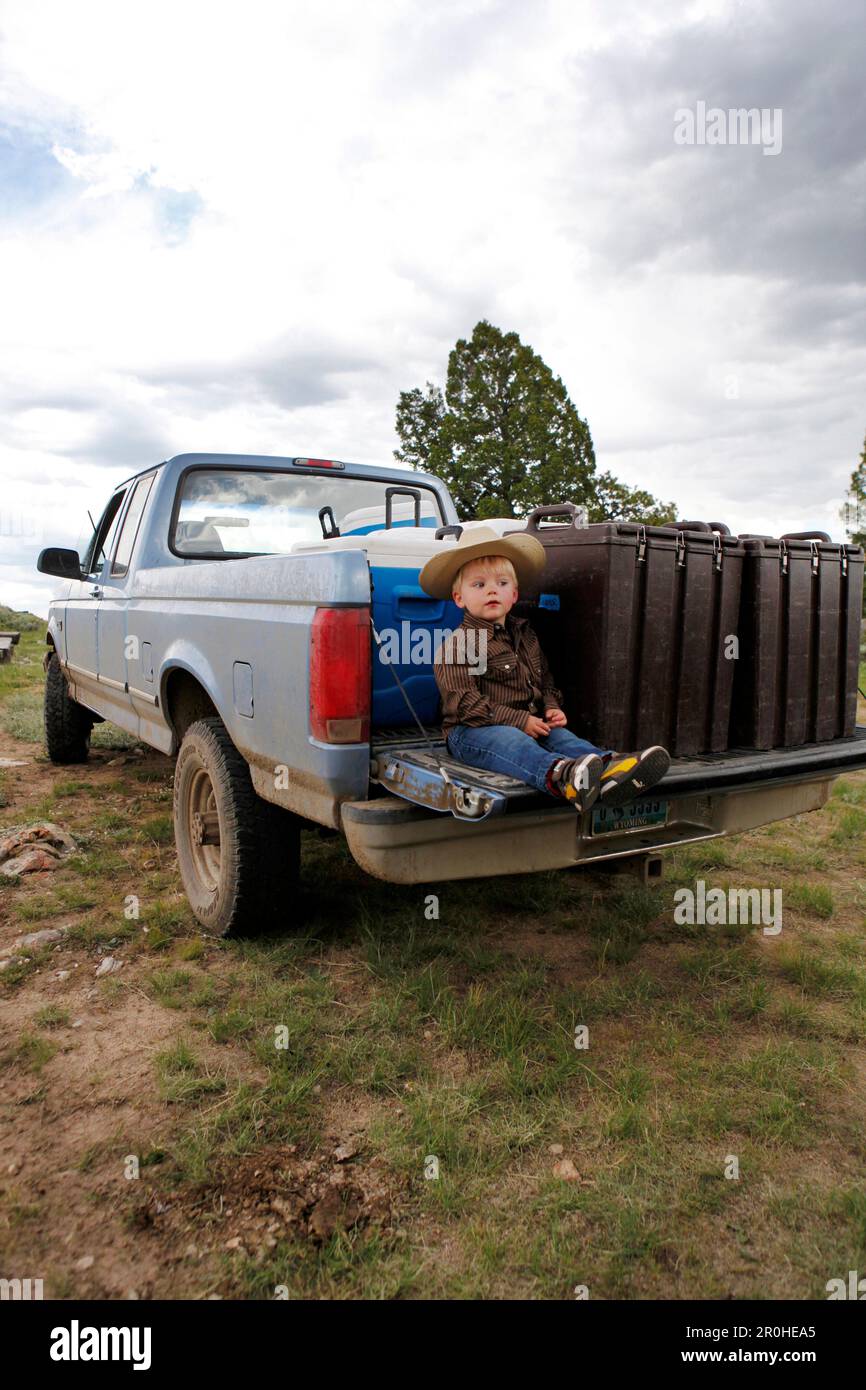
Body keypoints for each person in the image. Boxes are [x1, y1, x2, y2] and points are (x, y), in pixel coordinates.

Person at [418, 526, 670, 812]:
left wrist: (550, 706)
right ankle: (563, 777)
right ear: (459, 598)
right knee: (513, 742)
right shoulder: (458, 645)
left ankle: (613, 768)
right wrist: (519, 720)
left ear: (513, 595)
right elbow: (463, 705)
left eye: (501, 583)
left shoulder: (526, 634)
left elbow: (544, 678)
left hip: (530, 721)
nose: (491, 590)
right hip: (471, 733)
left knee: (563, 737)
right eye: (478, 585)